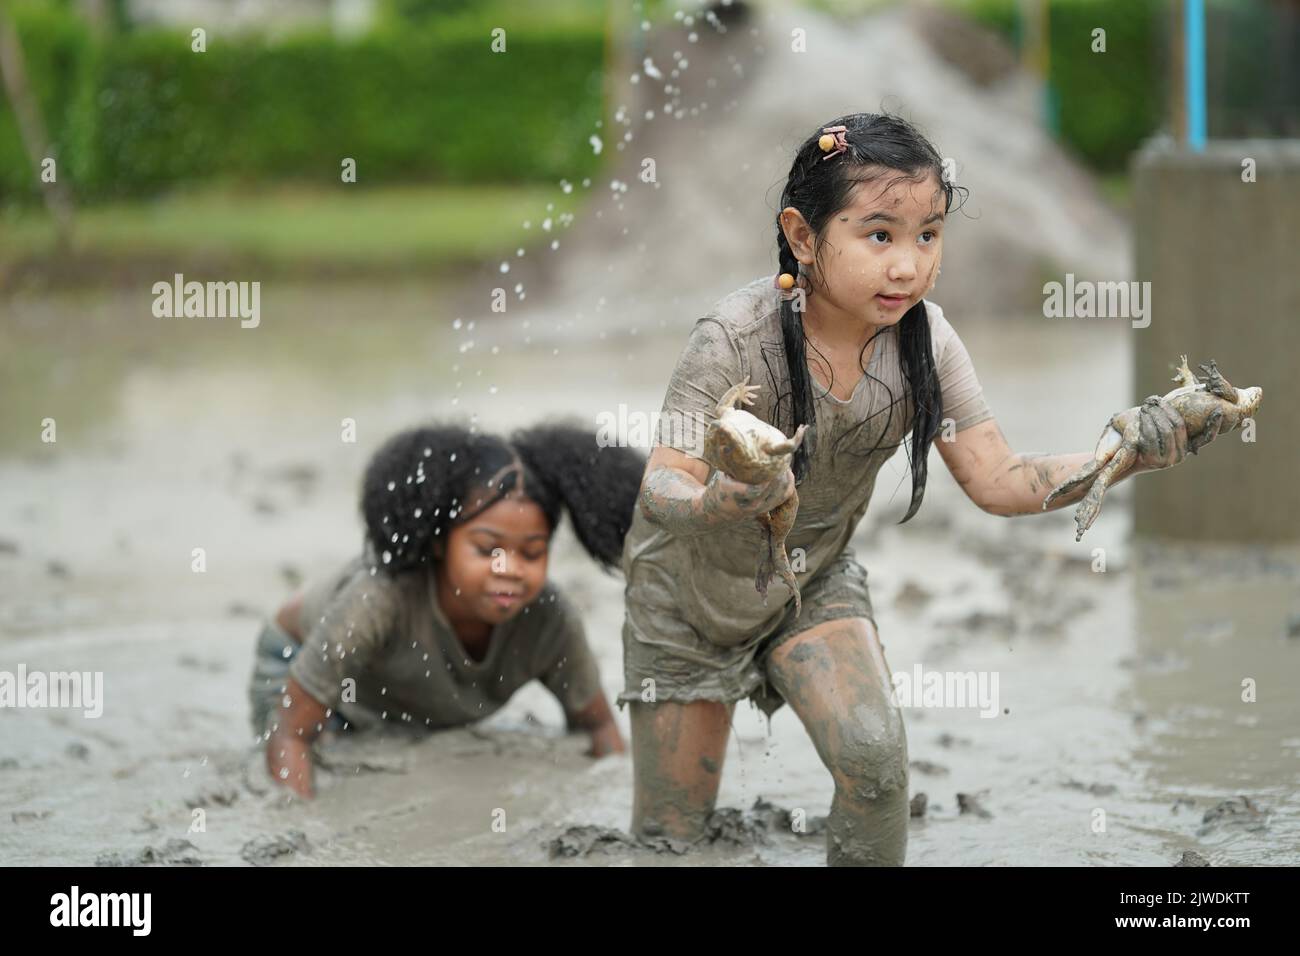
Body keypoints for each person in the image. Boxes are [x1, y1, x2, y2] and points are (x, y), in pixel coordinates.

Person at [622, 111, 1202, 865]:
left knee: (874, 764)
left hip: (809, 579)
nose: (908, 266)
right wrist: (716, 504)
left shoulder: (926, 341)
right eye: (879, 235)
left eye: (928, 235)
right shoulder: (737, 338)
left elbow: (999, 480)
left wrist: (1126, 455)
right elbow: (661, 485)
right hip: (684, 598)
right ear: (802, 236)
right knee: (672, 839)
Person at [250, 421, 644, 798]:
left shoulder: (550, 620)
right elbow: (290, 735)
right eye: (487, 549)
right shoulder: (379, 600)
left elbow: (598, 728)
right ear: (439, 544)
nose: (509, 571)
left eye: (532, 553)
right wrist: (295, 820)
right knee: (340, 761)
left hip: (405, 699)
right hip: (296, 656)